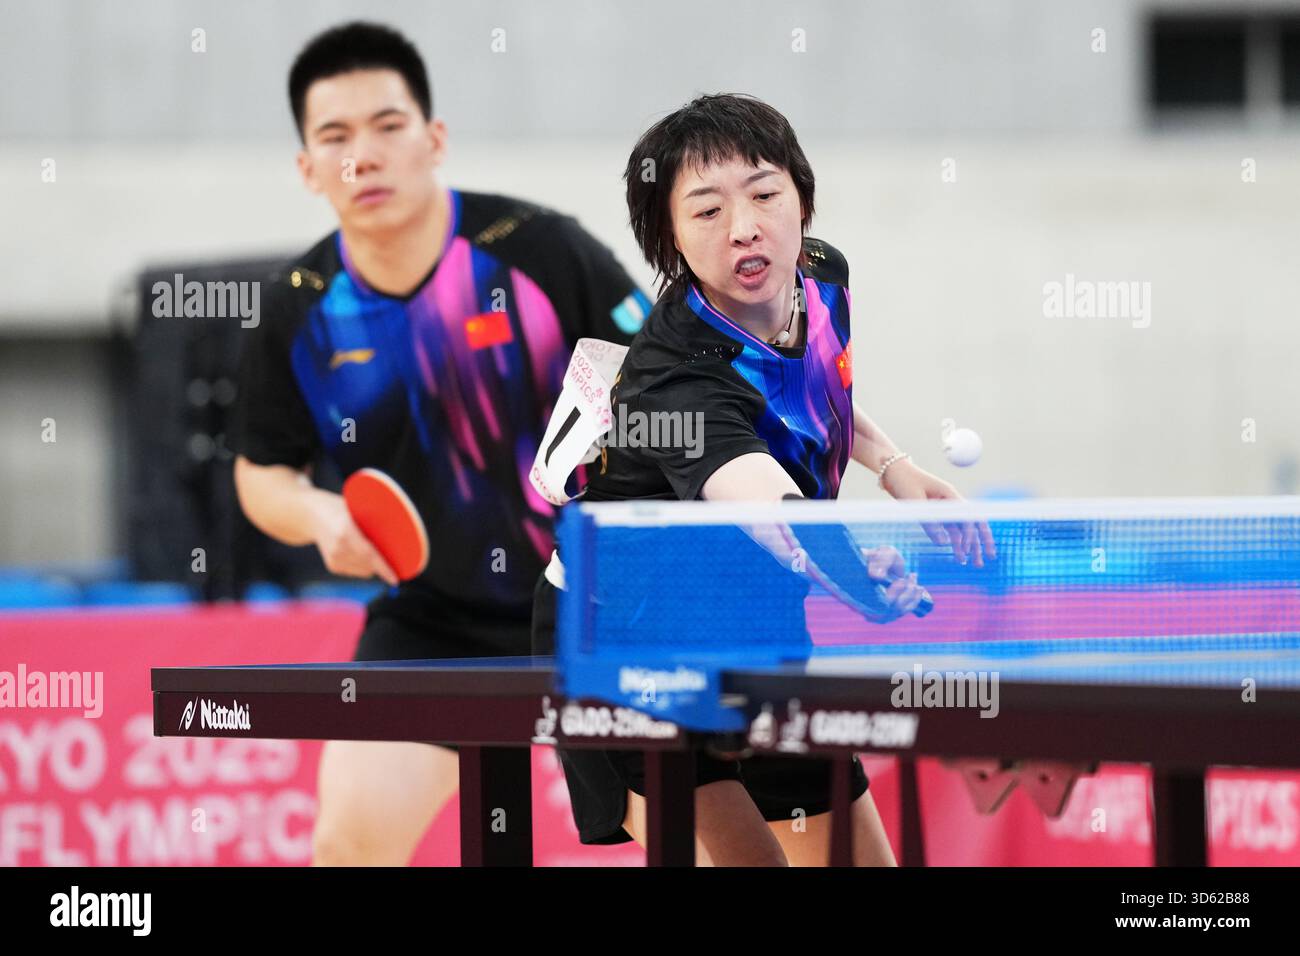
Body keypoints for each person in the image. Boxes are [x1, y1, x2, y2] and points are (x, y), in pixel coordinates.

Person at [532, 93, 993, 866]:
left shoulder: (823, 276)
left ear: (802, 201)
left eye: (765, 194)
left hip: (753, 623)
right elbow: (764, 501)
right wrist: (856, 564)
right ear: (671, 241)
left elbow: (810, 393)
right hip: (625, 640)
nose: (744, 226)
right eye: (706, 211)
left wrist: (893, 466)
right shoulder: (674, 375)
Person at [231, 21, 650, 865]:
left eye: (388, 127)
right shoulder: (299, 307)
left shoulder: (540, 250)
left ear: (434, 138)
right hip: (430, 620)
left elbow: (663, 381)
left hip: (593, 604)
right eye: (335, 138)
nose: (365, 157)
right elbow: (260, 471)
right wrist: (317, 515)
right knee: (347, 843)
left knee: (705, 840)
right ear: (308, 169)